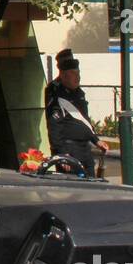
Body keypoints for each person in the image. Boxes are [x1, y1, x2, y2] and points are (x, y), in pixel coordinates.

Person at [45, 48, 109, 176]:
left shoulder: (79, 94)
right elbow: (54, 128)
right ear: (63, 75)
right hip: (70, 149)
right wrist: (62, 153)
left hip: (84, 149)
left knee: (91, 181)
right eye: (73, 73)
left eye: (78, 73)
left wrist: (96, 140)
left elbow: (83, 121)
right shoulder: (57, 95)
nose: (78, 77)